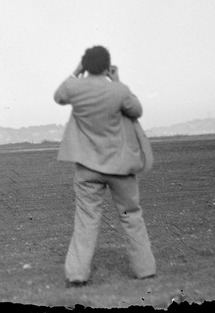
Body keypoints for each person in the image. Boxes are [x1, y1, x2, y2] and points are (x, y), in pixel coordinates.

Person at [54, 45, 156, 286]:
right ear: (107, 66)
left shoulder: (74, 88)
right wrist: (117, 81)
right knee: (131, 216)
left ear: (85, 65)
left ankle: (77, 273)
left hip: (87, 168)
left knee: (86, 219)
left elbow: (59, 96)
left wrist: (76, 72)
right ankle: (145, 270)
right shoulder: (118, 91)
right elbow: (137, 110)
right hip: (120, 168)